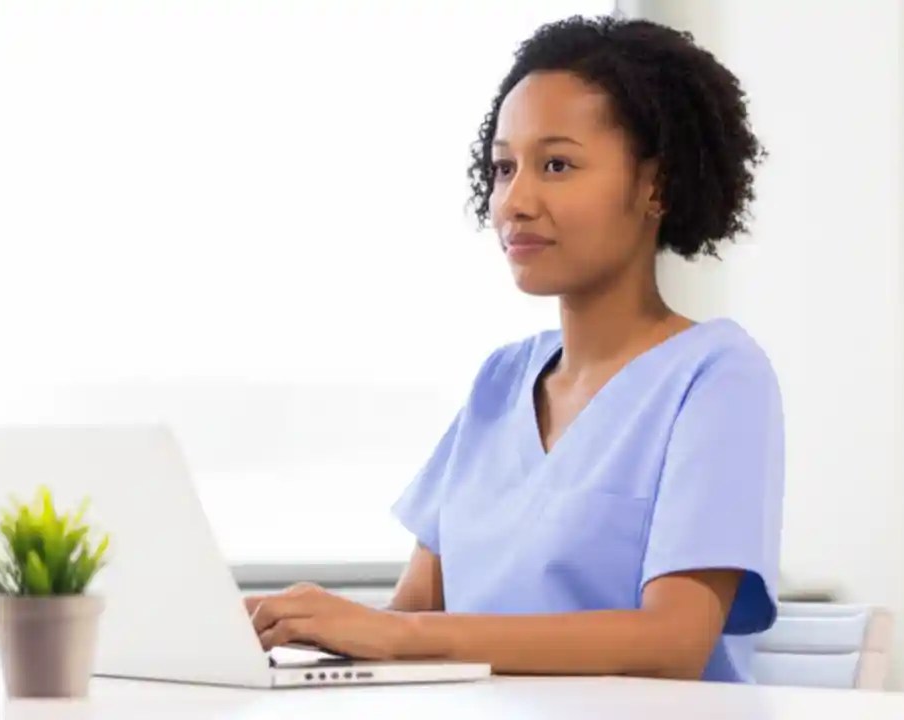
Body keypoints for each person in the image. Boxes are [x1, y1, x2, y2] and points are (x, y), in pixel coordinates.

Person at [245, 14, 781, 683]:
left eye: (556, 165)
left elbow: (671, 641)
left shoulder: (716, 376)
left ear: (657, 186)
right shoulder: (501, 381)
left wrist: (398, 632)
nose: (514, 200)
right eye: (503, 167)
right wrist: (286, 629)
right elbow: (414, 611)